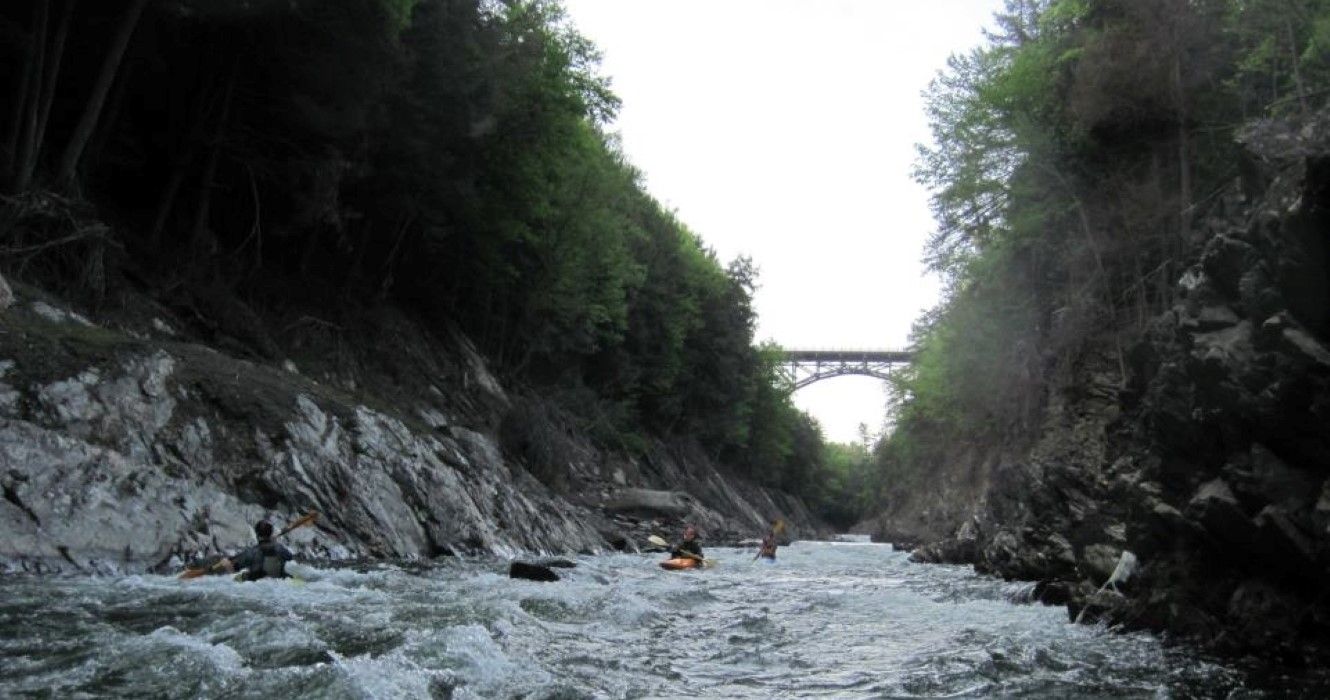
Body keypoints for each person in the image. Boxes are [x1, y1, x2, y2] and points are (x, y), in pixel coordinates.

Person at [221, 520, 293, 581]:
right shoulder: (280, 548)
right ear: (271, 533)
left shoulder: (251, 552)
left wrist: (226, 563)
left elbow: (234, 569)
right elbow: (289, 557)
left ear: (257, 534)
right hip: (278, 580)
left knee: (237, 578)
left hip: (257, 582)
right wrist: (274, 542)